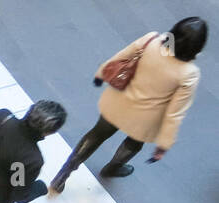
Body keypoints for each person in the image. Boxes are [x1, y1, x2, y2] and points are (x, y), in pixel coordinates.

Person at [50, 18, 205, 191]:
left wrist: (101, 73)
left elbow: (122, 56)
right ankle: (112, 168)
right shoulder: (189, 73)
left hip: (118, 101)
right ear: (197, 47)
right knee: (133, 144)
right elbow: (175, 113)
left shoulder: (152, 40)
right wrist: (164, 144)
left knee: (96, 135)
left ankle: (64, 173)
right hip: (145, 119)